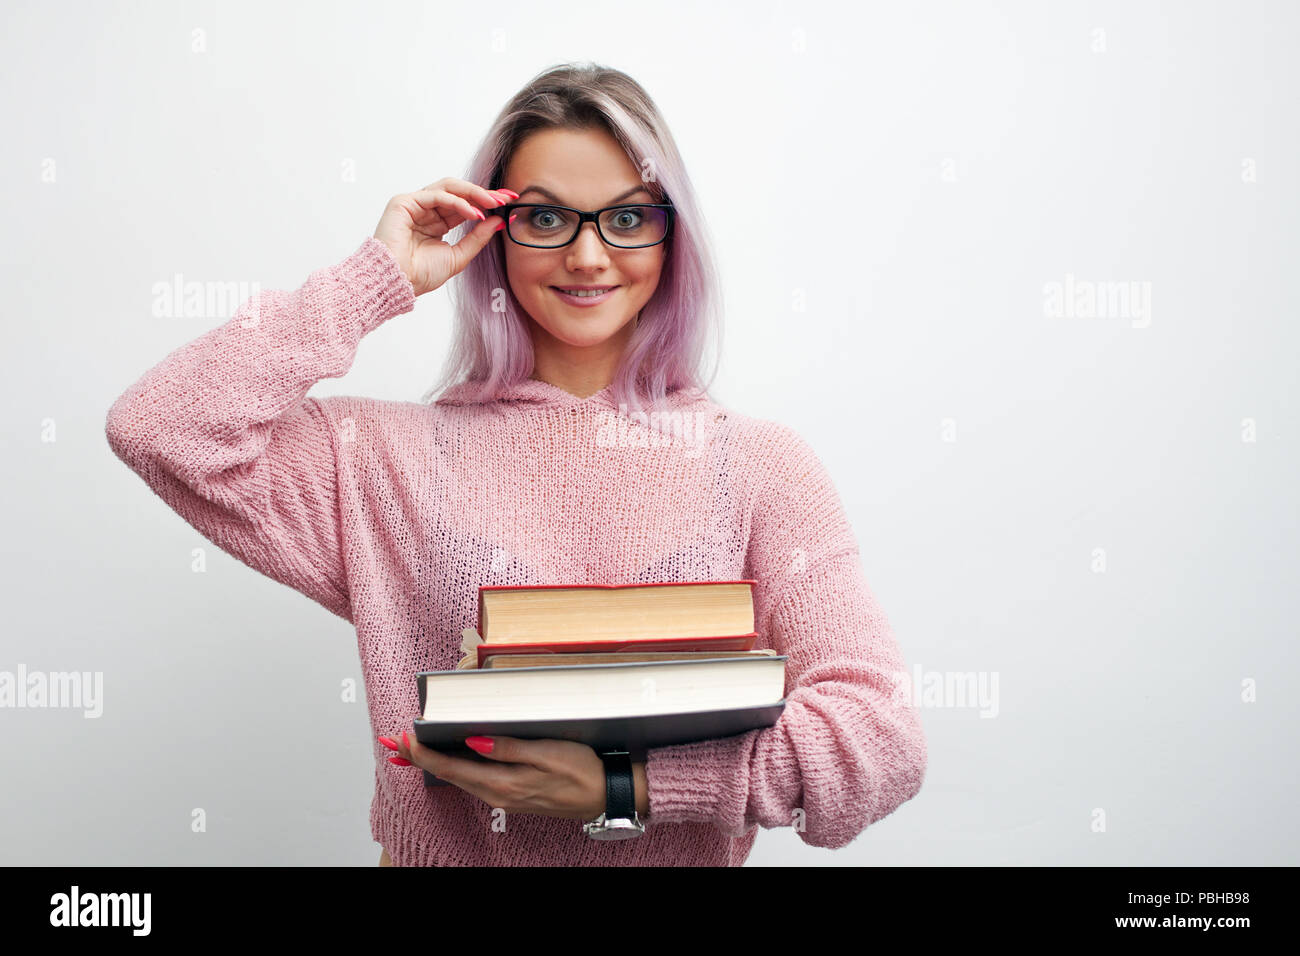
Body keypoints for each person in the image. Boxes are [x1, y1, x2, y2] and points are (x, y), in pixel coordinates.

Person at [105, 61, 927, 867]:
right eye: (544, 219)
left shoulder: (756, 465)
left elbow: (881, 737)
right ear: (491, 237)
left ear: (672, 239)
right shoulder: (381, 460)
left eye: (629, 218)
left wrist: (630, 786)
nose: (589, 256)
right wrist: (376, 277)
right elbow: (159, 425)